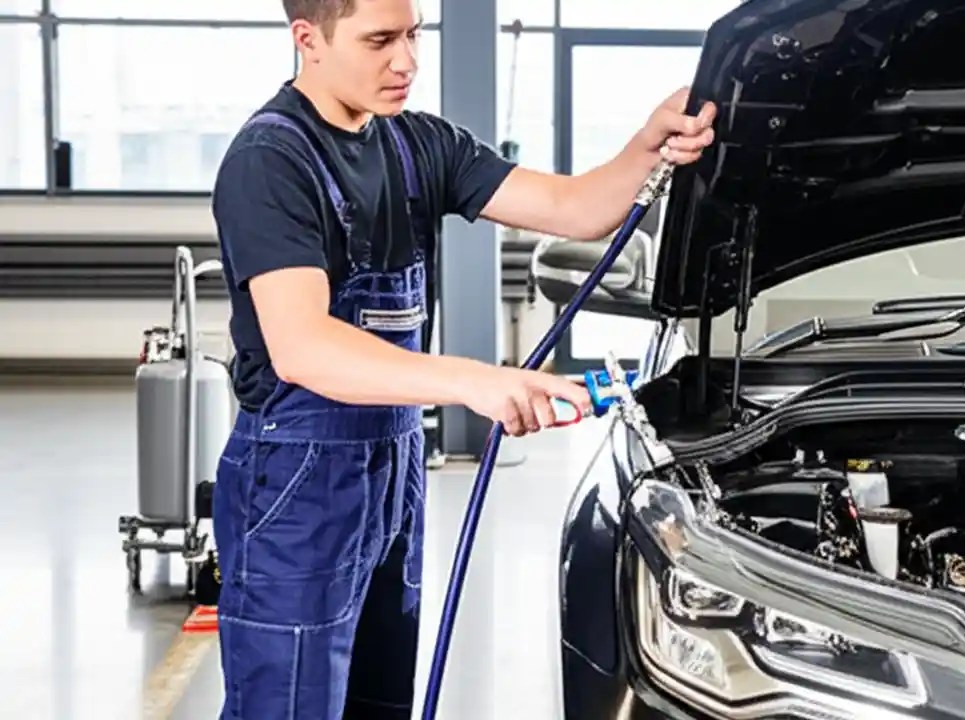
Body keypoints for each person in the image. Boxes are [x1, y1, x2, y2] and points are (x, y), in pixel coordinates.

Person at [208, 0, 715, 717]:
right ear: (307, 40)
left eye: (414, 34)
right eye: (380, 40)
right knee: (289, 705)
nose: (407, 60)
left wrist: (648, 145)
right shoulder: (272, 161)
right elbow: (304, 346)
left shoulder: (418, 144)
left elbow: (575, 207)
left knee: (379, 698)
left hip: (392, 469)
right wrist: (477, 380)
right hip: (297, 483)